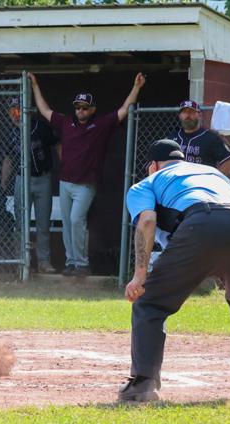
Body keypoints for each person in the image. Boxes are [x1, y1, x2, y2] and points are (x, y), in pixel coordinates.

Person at [120, 139, 230, 402]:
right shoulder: (213, 174)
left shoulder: (148, 182)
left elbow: (147, 221)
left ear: (153, 166)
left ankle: (143, 386)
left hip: (200, 225)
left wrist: (140, 276)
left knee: (150, 304)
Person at [29, 72, 146, 276]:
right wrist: (35, 86)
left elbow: (123, 110)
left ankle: (82, 264)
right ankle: (72, 263)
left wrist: (136, 87)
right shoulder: (67, 122)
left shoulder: (100, 124)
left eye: (84, 107)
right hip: (65, 182)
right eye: (77, 107)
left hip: (85, 184)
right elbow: (44, 110)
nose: (80, 110)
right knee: (68, 222)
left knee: (76, 220)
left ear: (92, 109)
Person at [1, 97, 60, 273]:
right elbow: (8, 159)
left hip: (43, 178)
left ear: (27, 111)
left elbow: (57, 146)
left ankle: (44, 262)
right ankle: (22, 262)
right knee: (21, 222)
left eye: (19, 110)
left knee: (43, 223)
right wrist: (3, 182)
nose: (16, 115)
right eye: (12, 111)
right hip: (22, 179)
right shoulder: (10, 132)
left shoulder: (40, 127)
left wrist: (66, 169)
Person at [166, 100, 230, 175]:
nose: (187, 115)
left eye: (191, 112)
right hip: (178, 182)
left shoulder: (210, 138)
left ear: (199, 115)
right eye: (184, 112)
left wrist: (214, 179)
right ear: (180, 116)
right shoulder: (173, 137)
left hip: (199, 182)